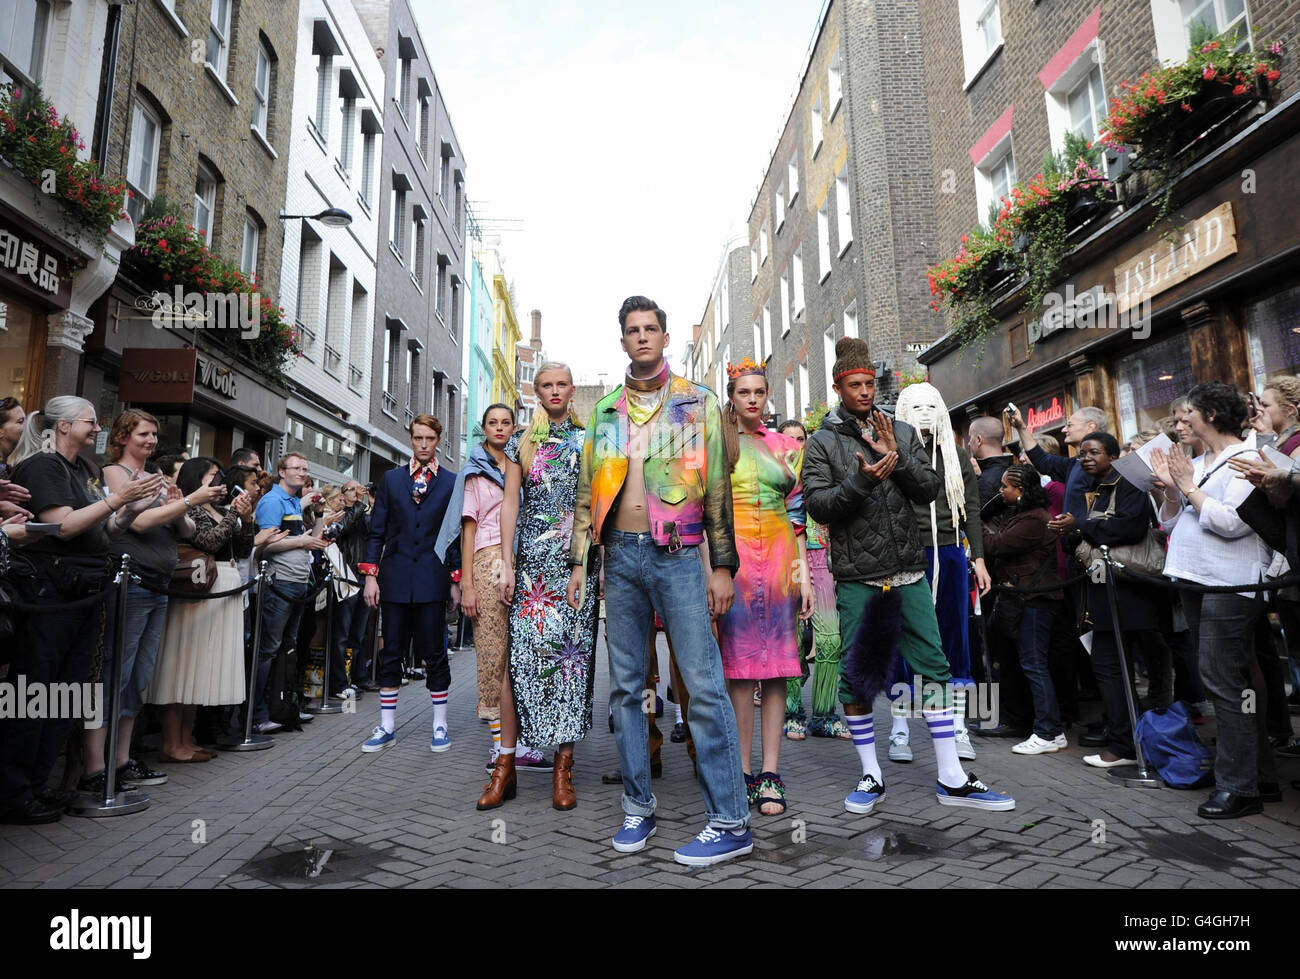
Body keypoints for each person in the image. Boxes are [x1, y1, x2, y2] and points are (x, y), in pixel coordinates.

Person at [566, 296, 751, 866]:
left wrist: (722, 566)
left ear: (665, 338)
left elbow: (718, 490)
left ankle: (730, 819)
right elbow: (583, 496)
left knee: (701, 682)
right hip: (618, 559)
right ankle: (637, 806)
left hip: (677, 557)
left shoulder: (699, 403)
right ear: (622, 341)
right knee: (625, 688)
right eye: (632, 330)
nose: (642, 337)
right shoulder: (604, 413)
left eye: (651, 329)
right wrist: (579, 563)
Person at [802, 337, 1015, 816]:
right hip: (859, 576)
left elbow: (929, 489)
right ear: (839, 387)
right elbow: (818, 505)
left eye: (869, 383)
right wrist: (864, 479)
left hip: (907, 570)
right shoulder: (821, 443)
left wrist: (895, 457)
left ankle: (952, 777)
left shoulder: (899, 429)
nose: (864, 391)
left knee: (934, 670)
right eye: (854, 385)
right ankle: (871, 775)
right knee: (859, 681)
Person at [1, 398, 164, 823]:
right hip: (49, 593)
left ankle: (37, 785)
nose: (98, 429)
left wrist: (132, 507)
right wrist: (118, 499)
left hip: (84, 593)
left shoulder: (85, 470)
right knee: (35, 691)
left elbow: (104, 529)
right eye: (91, 422)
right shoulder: (42, 466)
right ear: (65, 425)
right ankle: (13, 792)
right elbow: (64, 525)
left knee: (67, 692)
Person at [1150, 382, 1277, 818]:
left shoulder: (1247, 457)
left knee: (1224, 681)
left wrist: (1186, 487)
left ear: (1213, 417)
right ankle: (1259, 774)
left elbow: (1231, 522)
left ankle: (1240, 788)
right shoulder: (1201, 461)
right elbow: (1170, 524)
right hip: (1194, 578)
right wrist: (1170, 488)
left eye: (1191, 415)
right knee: (1229, 680)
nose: (1183, 422)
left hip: (1229, 582)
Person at [481, 368, 600, 810]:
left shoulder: (588, 440)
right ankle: (505, 767)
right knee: (521, 662)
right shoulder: (521, 442)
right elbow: (510, 503)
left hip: (575, 567)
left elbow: (594, 505)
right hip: (531, 568)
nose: (554, 391)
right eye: (546, 385)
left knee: (570, 666)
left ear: (572, 391)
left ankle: (562, 769)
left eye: (561, 385)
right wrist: (507, 564)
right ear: (537, 392)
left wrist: (587, 562)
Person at [83, 410, 214, 791]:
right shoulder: (113, 475)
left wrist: (178, 505)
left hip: (157, 584)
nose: (151, 440)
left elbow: (186, 529)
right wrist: (186, 500)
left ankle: (122, 760)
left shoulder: (155, 477)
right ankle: (95, 766)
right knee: (114, 672)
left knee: (138, 677)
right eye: (143, 433)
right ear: (123, 436)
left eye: (155, 434)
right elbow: (135, 523)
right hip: (130, 582)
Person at [715, 361, 812, 816]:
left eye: (759, 392)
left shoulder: (789, 448)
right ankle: (742, 771)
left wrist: (805, 578)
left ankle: (770, 773)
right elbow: (704, 513)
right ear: (731, 398)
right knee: (738, 672)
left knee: (776, 670)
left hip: (778, 564)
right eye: (743, 392)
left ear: (768, 395)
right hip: (732, 564)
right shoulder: (717, 446)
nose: (752, 399)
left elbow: (798, 518)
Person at [436, 403, 548, 785]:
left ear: (515, 427)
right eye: (492, 423)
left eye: (506, 423)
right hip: (487, 562)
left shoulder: (524, 463)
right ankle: (500, 747)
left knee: (522, 650)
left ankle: (521, 743)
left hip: (524, 561)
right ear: (483, 429)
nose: (499, 428)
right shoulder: (473, 472)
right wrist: (466, 583)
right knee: (492, 649)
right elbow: (467, 531)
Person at [888, 382, 991, 763]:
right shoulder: (893, 452)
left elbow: (972, 509)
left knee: (953, 638)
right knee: (904, 639)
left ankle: (955, 726)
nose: (926, 413)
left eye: (933, 405)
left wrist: (978, 558)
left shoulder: (956, 455)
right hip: (907, 557)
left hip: (948, 554)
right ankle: (900, 729)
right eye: (917, 407)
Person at [149, 457, 273, 760]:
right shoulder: (189, 508)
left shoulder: (217, 509)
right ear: (197, 479)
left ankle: (186, 739)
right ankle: (171, 742)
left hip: (224, 586)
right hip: (198, 588)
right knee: (182, 667)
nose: (219, 482)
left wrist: (247, 520)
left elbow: (243, 550)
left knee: (200, 669)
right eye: (213, 476)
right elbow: (208, 541)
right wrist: (234, 515)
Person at [1051, 433, 1162, 767]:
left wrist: (1080, 525)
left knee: (1115, 666)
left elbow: (1128, 528)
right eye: (1082, 453)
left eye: (1094, 452)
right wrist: (1069, 532)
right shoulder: (1093, 489)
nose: (1085, 458)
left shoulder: (1128, 483)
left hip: (1126, 588)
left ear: (1113, 456)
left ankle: (1125, 745)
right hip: (1098, 588)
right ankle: (1126, 738)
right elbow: (1088, 535)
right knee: (1108, 665)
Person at [358, 416, 460, 753]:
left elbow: (455, 537)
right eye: (418, 437)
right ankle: (386, 726)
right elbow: (377, 532)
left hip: (432, 579)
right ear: (411, 439)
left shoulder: (451, 482)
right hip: (396, 577)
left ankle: (440, 724)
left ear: (439, 440)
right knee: (391, 653)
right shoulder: (390, 480)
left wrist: (456, 581)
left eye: (430, 438)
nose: (424, 444)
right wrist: (371, 576)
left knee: (435, 654)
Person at [983, 464, 1066, 756]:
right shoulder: (1022, 515)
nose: (1001, 490)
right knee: (1026, 663)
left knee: (1034, 664)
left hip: (1035, 599)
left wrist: (974, 522)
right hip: (1025, 597)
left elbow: (996, 545)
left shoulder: (1034, 520)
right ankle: (1040, 727)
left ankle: (1048, 731)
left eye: (1006, 486)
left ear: (1021, 490)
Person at [252, 452, 329, 734]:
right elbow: (264, 545)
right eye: (296, 467)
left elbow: (314, 540)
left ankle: (283, 707)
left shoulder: (295, 501)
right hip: (280, 582)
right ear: (281, 472)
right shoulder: (272, 501)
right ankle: (258, 714)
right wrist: (302, 541)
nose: (302, 472)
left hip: (297, 582)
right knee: (269, 649)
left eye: (305, 468)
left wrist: (318, 517)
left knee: (288, 647)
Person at [323, 480, 369, 700]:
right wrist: (358, 505)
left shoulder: (362, 513)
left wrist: (365, 506)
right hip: (344, 578)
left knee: (357, 634)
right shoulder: (342, 514)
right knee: (341, 634)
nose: (356, 492)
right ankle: (338, 683)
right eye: (351, 489)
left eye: (358, 489)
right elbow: (344, 528)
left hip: (362, 577)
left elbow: (373, 532)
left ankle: (353, 678)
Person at [966, 416, 1016, 508]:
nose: (969, 443)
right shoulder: (1016, 469)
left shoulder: (986, 481)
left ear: (979, 440)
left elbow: (977, 516)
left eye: (970, 437)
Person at [1249, 376, 1300, 457]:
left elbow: (1266, 468)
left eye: (1265, 405)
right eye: (1259, 404)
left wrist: (1265, 434)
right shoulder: (1282, 439)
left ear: (1289, 410)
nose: (1259, 410)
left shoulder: (1296, 443)